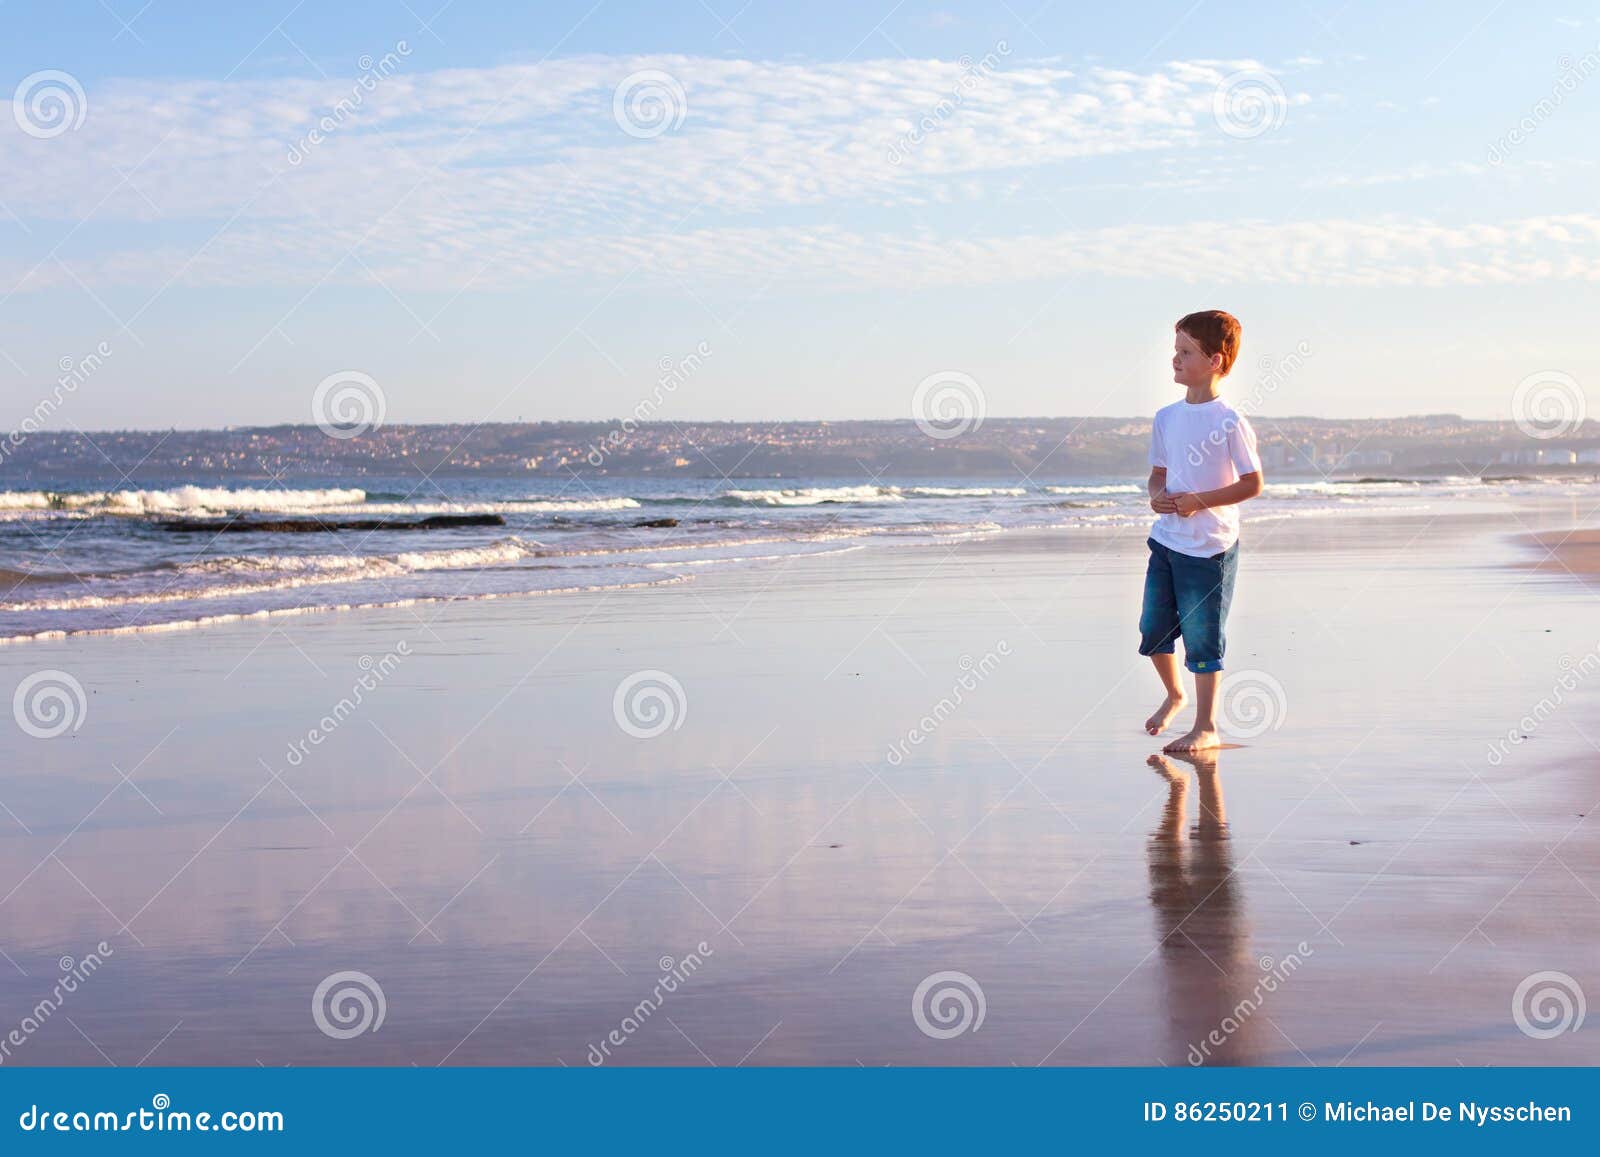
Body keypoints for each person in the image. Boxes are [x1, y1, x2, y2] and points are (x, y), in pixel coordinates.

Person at [1140, 310, 1264, 753]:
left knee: (1202, 638)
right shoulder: (1166, 417)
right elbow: (1158, 473)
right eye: (1175, 350)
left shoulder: (1229, 420)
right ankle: (1175, 695)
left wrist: (1200, 501)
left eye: (1186, 352)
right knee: (1153, 630)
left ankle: (1206, 726)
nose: (1175, 359)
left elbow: (1253, 483)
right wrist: (1157, 495)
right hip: (1167, 540)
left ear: (1215, 360)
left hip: (1210, 548)